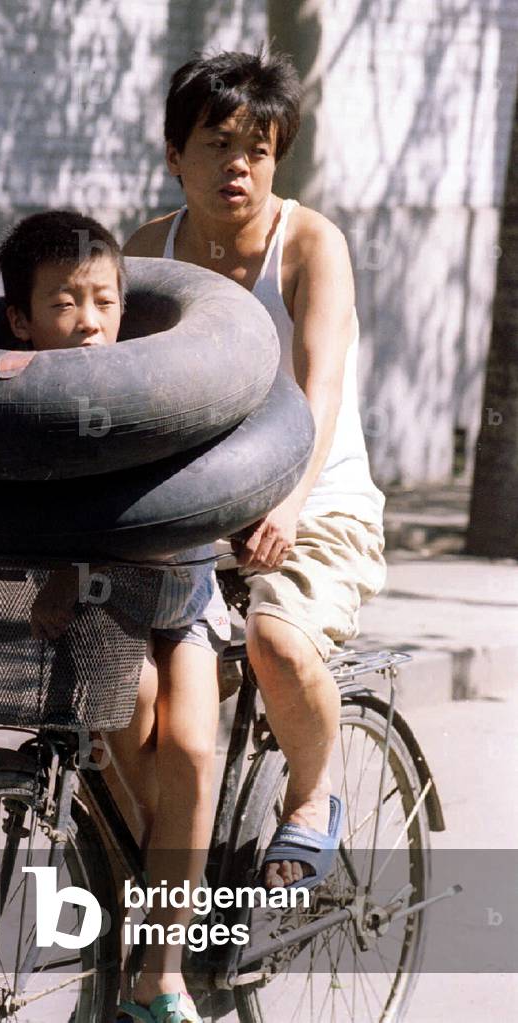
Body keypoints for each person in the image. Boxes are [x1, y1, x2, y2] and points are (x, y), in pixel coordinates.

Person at [124, 48, 387, 895]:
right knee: (122, 687)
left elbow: (319, 386)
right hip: (193, 512)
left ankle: (312, 794)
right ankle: (171, 872)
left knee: (276, 639)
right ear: (175, 155)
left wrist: (288, 501)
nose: (238, 165)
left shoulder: (308, 243)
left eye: (258, 149)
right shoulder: (148, 251)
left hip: (315, 497)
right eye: (217, 144)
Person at [0, 209, 230, 1023]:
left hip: (179, 591)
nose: (89, 321)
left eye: (104, 300)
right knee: (129, 708)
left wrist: (75, 571)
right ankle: (165, 884)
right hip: (107, 611)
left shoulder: (151, 383)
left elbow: (160, 511)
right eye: (64, 303)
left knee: (190, 748)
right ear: (20, 319)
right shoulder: (9, 397)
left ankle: (161, 976)